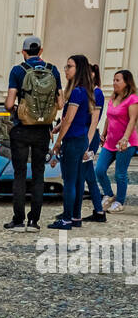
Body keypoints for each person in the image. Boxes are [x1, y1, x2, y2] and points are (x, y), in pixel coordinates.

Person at [5, 37, 62, 231]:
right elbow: (60, 103)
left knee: (20, 174)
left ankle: (18, 220)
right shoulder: (53, 70)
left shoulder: (18, 70)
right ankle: (34, 221)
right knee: (39, 174)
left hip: (21, 128)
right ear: (41, 50)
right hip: (43, 130)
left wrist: (16, 111)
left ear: (23, 52)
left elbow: (8, 103)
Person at [49, 54, 101, 230]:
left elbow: (69, 119)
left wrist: (58, 142)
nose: (65, 69)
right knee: (78, 180)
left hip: (73, 140)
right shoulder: (85, 90)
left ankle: (66, 220)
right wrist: (58, 128)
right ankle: (76, 217)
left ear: (78, 69)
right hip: (80, 139)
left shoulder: (77, 91)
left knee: (70, 181)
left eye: (69, 66)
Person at [95, 69, 138, 212]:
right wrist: (103, 134)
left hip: (126, 143)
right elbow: (108, 117)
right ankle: (109, 194)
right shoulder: (113, 97)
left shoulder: (132, 99)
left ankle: (119, 202)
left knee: (120, 173)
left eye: (117, 80)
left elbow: (133, 120)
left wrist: (125, 138)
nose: (114, 83)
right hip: (110, 142)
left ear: (126, 83)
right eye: (113, 80)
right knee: (99, 170)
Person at [81, 64, 105, 219]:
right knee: (87, 175)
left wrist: (87, 145)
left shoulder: (97, 93)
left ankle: (98, 210)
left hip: (89, 137)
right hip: (85, 135)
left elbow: (94, 121)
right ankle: (99, 210)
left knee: (84, 174)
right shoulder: (88, 93)